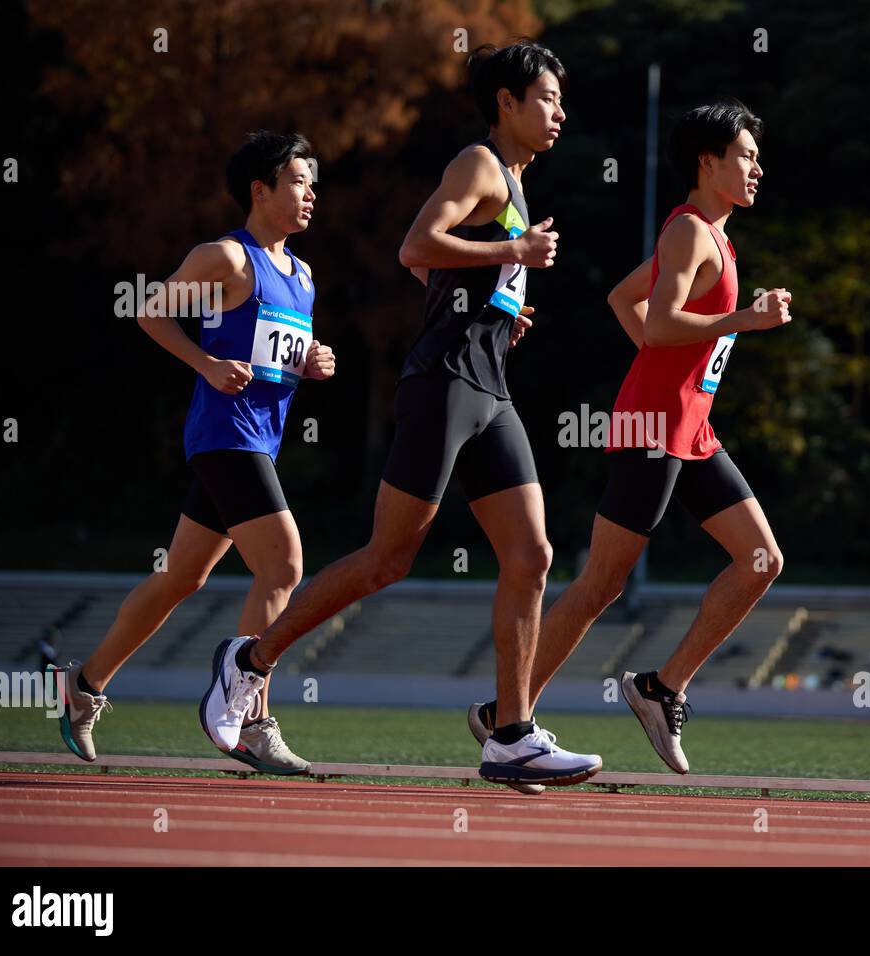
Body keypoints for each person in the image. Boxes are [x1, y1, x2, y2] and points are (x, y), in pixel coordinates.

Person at [198, 42, 601, 792]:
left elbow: (433, 267)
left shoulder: (513, 177)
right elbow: (413, 244)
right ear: (507, 102)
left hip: (490, 382)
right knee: (388, 559)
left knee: (533, 555)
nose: (560, 112)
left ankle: (510, 734)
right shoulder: (479, 164)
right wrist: (509, 250)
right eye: (547, 97)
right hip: (445, 382)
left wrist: (499, 301)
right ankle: (250, 658)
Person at [470, 99, 790, 774]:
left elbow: (626, 302)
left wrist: (676, 360)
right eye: (746, 156)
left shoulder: (715, 237)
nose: (757, 167)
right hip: (653, 427)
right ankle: (507, 718)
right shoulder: (690, 233)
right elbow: (666, 321)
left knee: (761, 560)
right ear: (708, 162)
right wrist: (744, 321)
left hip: (689, 428)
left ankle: (661, 687)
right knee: (599, 585)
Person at [56, 131, 335, 775]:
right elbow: (152, 312)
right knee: (284, 565)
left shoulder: (304, 275)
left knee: (182, 578)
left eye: (312, 182)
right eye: (297, 181)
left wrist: (313, 362)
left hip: (261, 440)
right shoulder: (226, 259)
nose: (310, 193)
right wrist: (207, 364)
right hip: (224, 437)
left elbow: (282, 357)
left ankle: (84, 686)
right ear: (259, 190)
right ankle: (249, 713)